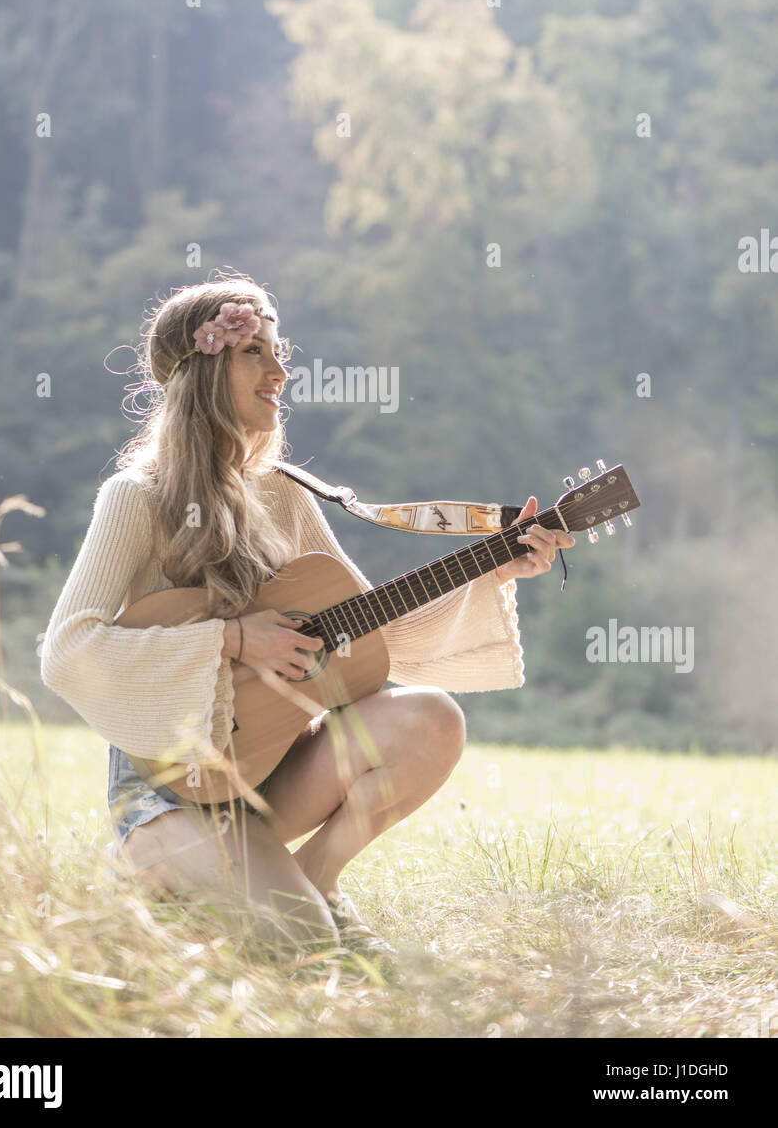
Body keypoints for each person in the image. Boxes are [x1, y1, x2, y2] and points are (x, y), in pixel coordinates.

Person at [40, 274, 574, 967]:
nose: (279, 370)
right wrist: (233, 638)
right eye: (253, 352)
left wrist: (495, 569)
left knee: (429, 717)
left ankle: (317, 885)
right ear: (201, 375)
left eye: (276, 349)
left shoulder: (285, 496)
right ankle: (149, 879)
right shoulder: (135, 497)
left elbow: (368, 639)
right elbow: (67, 651)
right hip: (168, 792)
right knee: (299, 948)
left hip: (270, 768)